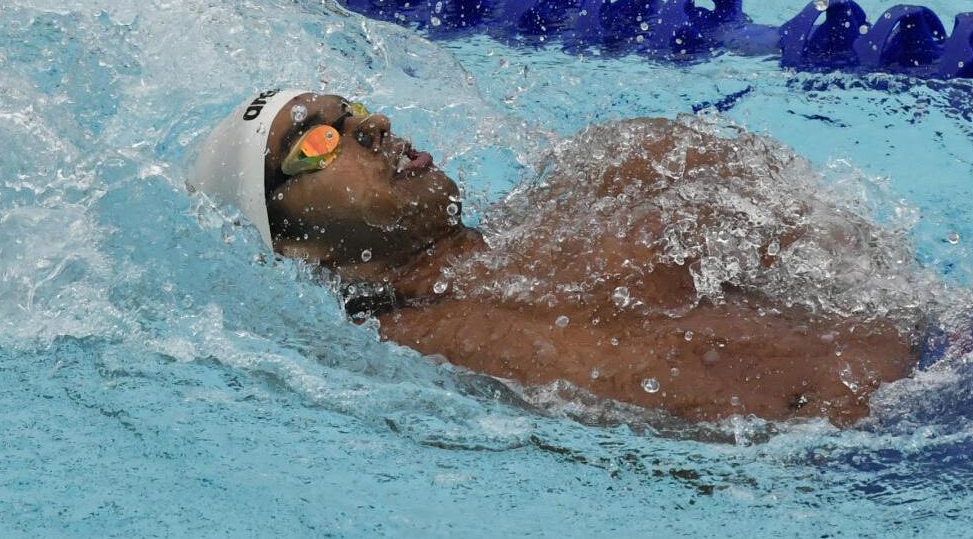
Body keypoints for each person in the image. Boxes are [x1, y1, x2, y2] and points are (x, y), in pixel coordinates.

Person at [189, 89, 932, 426]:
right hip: (917, 442)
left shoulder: (551, 207)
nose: (371, 125)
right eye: (317, 141)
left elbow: (776, 189)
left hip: (966, 337)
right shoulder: (428, 336)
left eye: (351, 110)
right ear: (295, 243)